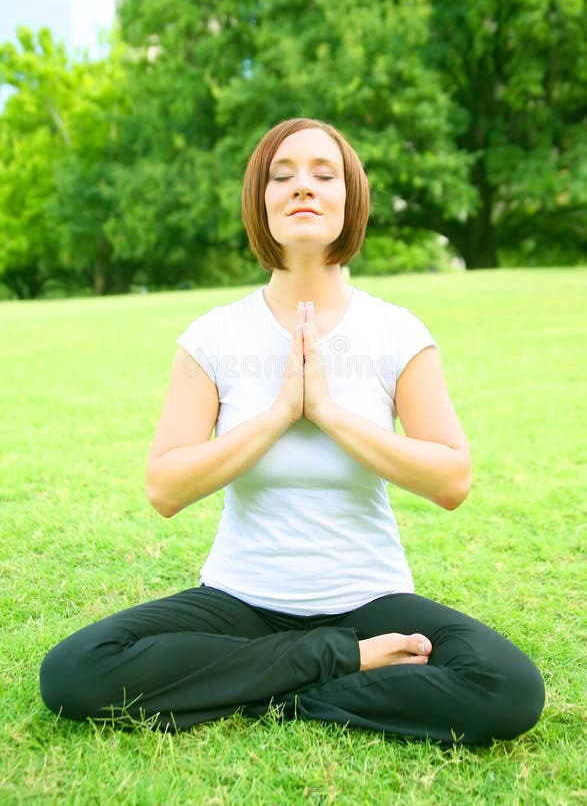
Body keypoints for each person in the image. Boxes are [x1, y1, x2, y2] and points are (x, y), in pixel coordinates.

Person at [40, 118, 544, 743]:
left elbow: (452, 477)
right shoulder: (213, 336)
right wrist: (280, 412)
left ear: (348, 200)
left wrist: (328, 411)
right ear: (262, 201)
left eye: (323, 175)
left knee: (508, 687)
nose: (302, 187)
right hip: (241, 600)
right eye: (283, 176)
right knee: (74, 673)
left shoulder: (397, 333)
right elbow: (164, 488)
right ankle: (336, 668)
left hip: (367, 601)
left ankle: (261, 687)